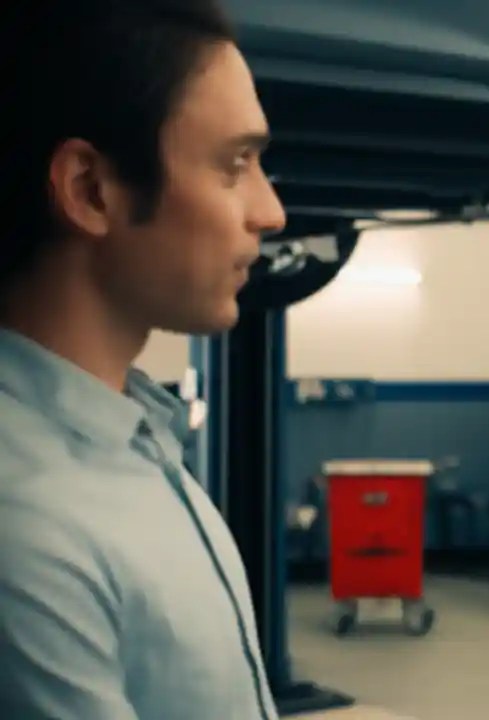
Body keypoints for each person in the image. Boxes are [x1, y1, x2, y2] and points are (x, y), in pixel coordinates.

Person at [0, 1, 286, 718]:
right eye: (234, 165)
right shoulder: (29, 527)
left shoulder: (137, 446)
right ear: (90, 191)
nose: (271, 211)